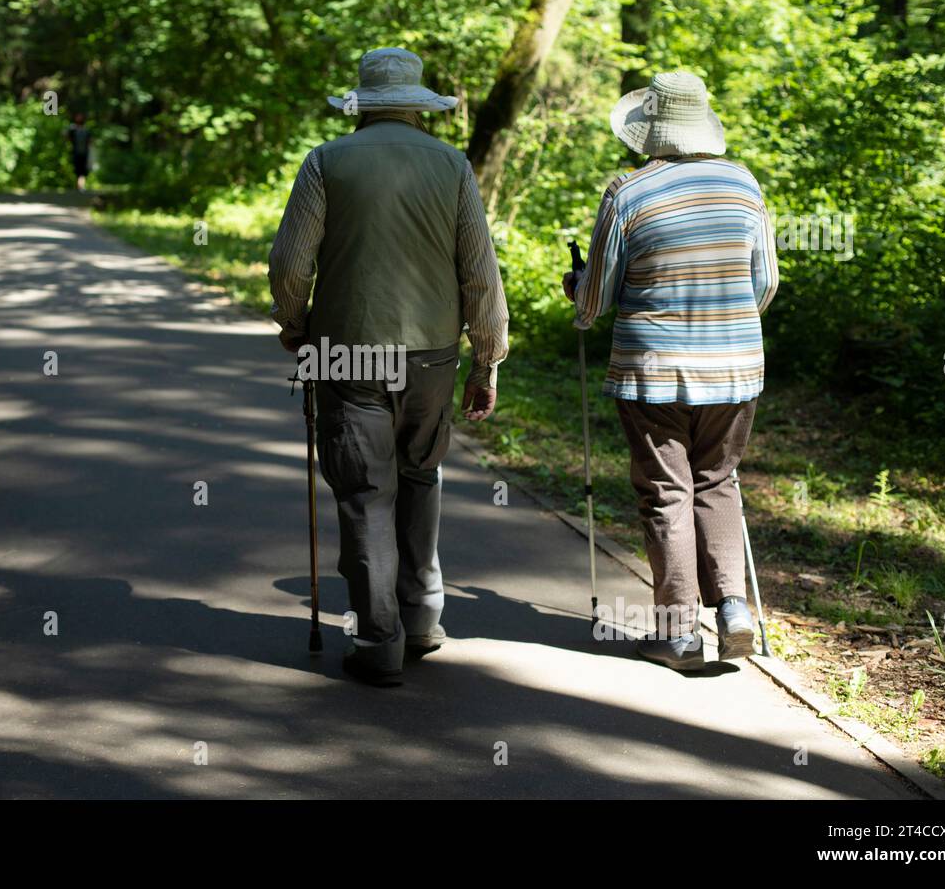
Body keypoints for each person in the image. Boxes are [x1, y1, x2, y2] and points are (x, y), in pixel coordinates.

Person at [269, 47, 509, 687]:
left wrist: (295, 326)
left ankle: (377, 639)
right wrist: (487, 359)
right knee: (420, 476)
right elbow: (480, 276)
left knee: (365, 493)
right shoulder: (453, 166)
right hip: (432, 353)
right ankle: (423, 617)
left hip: (347, 352)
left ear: (362, 106)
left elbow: (292, 264)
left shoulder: (325, 162)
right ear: (417, 106)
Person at [564, 71, 779, 672]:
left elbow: (595, 298)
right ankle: (733, 610)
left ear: (650, 131)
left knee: (666, 491)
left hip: (652, 369)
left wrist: (576, 291)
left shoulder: (628, 192)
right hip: (735, 368)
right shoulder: (743, 184)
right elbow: (765, 283)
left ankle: (679, 633)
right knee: (719, 480)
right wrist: (729, 323)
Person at [65, 113, 91, 191]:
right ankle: (78, 186)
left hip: (84, 152)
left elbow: (90, 140)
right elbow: (67, 136)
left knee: (82, 170)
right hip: (75, 152)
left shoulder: (86, 129)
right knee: (77, 169)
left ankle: (80, 186)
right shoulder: (72, 128)